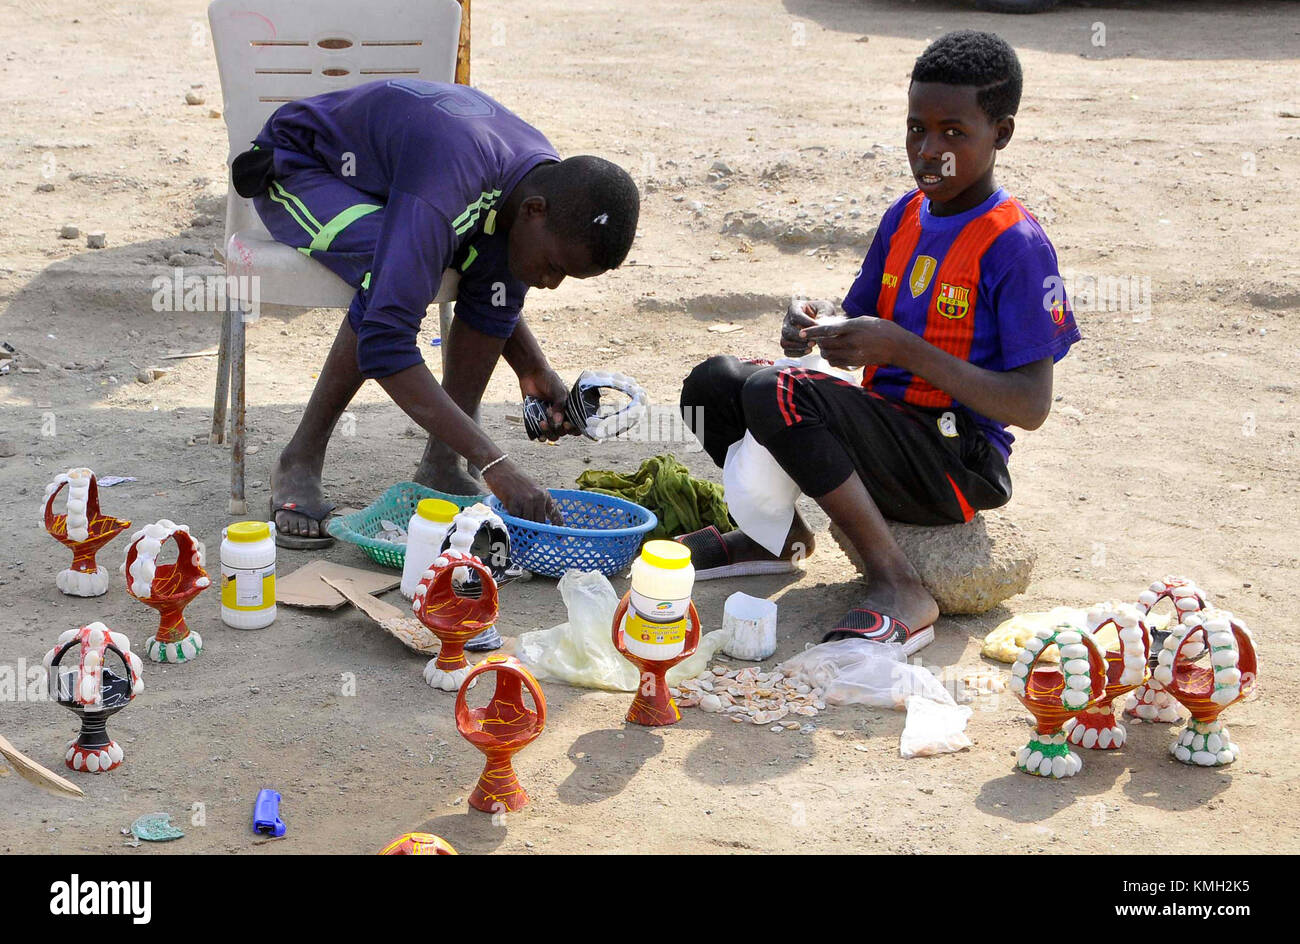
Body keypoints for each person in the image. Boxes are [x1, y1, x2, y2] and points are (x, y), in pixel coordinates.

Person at [678, 30, 1080, 654]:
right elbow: (858, 314)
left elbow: (1031, 407)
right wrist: (814, 321)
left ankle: (900, 584)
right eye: (917, 128)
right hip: (889, 425)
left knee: (780, 393)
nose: (930, 152)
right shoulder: (906, 215)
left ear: (1001, 133)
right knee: (716, 383)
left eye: (954, 133)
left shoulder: (1014, 244)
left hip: (954, 457)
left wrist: (903, 350)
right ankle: (771, 536)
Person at [231, 79, 639, 547]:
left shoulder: (538, 185)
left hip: (406, 185)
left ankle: (443, 460)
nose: (550, 283)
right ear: (534, 210)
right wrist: (494, 464)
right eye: (553, 267)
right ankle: (300, 456)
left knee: (496, 265)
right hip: (303, 168)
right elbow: (384, 345)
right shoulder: (453, 188)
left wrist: (533, 368)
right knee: (386, 271)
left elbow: (496, 292)